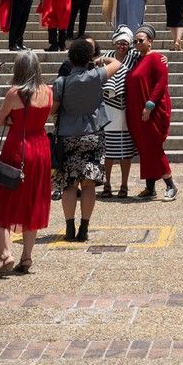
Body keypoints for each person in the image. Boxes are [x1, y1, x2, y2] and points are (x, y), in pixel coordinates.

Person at [0, 51, 55, 276]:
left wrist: (12, 120)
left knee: (1, 200)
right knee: (33, 201)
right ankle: (27, 257)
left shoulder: (14, 93)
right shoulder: (48, 91)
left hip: (17, 148)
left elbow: (0, 120)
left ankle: (6, 253)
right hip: (40, 148)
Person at [51, 37, 109, 239]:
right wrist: (99, 60)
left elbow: (53, 110)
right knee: (89, 183)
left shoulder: (61, 82)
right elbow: (118, 64)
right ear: (88, 58)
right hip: (92, 133)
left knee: (69, 183)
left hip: (68, 134)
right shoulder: (96, 76)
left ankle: (69, 227)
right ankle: (84, 228)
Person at [126, 26, 178, 201]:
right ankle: (150, 187)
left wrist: (149, 105)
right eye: (135, 41)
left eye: (141, 40)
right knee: (144, 148)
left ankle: (170, 185)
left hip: (151, 110)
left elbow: (161, 82)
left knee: (154, 147)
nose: (138, 43)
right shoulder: (135, 59)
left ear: (150, 41)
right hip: (136, 111)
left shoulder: (156, 58)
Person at [101, 28, 136, 197]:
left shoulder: (133, 57)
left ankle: (124, 185)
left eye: (126, 44)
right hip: (108, 107)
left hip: (126, 106)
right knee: (108, 151)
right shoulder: (106, 56)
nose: (123, 46)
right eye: (120, 43)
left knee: (126, 151)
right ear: (115, 43)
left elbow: (150, 56)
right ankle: (106, 184)